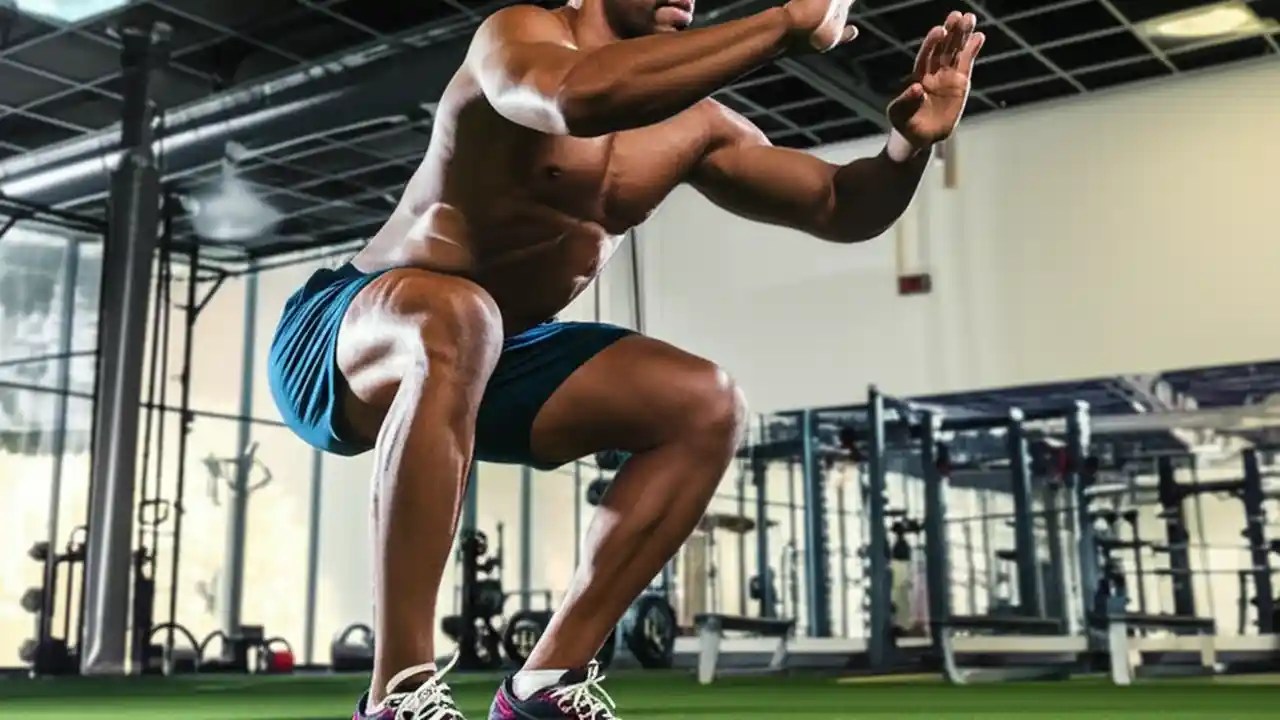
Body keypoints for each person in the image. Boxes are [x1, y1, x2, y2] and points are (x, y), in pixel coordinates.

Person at [266, 0, 985, 717]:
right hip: (351, 333)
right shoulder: (520, 34)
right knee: (459, 316)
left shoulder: (695, 125)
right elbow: (575, 97)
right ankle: (398, 692)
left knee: (704, 404)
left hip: (498, 353)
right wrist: (781, 26)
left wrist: (908, 149)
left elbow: (837, 205)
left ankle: (545, 686)